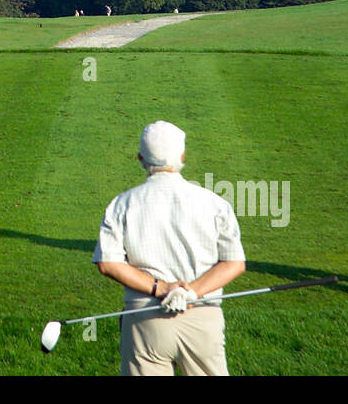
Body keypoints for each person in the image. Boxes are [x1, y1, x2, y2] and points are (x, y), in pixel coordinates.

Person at [92, 121, 246, 375]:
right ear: (183, 156)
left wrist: (161, 289)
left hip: (146, 318)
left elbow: (108, 264)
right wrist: (191, 292)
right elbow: (234, 263)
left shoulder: (121, 204)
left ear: (140, 157)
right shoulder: (215, 203)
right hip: (203, 318)